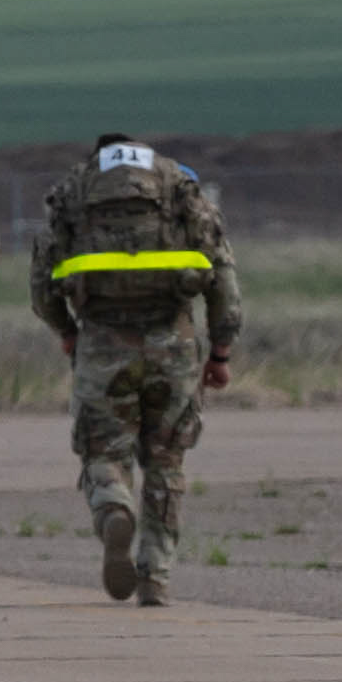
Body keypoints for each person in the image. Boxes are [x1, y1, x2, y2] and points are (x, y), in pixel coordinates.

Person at [30, 132, 243, 607]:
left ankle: (112, 506)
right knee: (166, 462)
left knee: (102, 448)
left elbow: (42, 278)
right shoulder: (178, 185)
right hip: (174, 347)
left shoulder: (75, 190)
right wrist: (222, 350)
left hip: (101, 344)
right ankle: (155, 576)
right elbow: (222, 272)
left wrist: (66, 328)